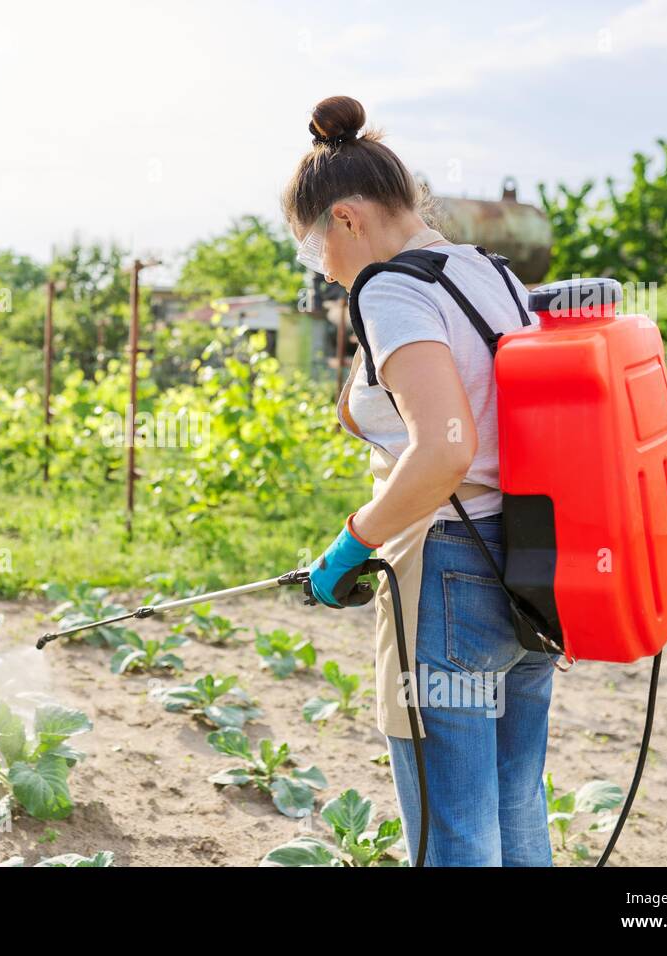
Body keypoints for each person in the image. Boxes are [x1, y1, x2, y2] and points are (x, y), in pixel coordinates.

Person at [281, 94, 560, 866]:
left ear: (346, 218)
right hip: (530, 570)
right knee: (515, 807)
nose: (324, 271)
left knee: (455, 834)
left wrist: (350, 543)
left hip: (448, 581)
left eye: (313, 249)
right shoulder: (490, 273)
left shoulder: (393, 289)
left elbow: (444, 449)